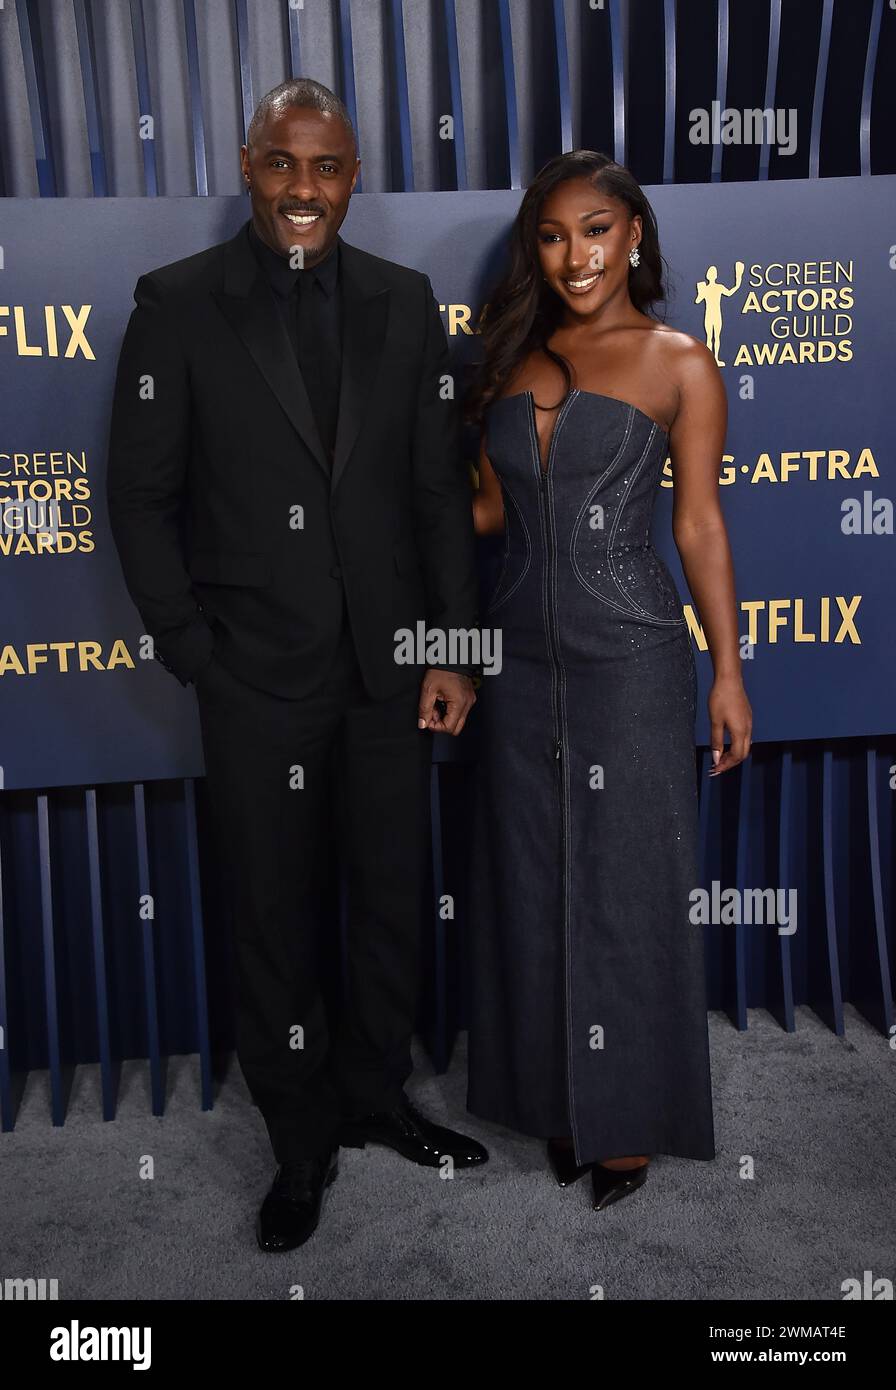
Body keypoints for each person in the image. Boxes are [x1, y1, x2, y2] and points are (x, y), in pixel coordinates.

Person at [106, 78, 487, 1253]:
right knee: (273, 916)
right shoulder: (175, 304)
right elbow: (139, 492)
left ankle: (375, 1096)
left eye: (326, 168)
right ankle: (298, 1135)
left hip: (387, 672)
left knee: (383, 896)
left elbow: (434, 493)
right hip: (253, 679)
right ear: (247, 164)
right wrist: (192, 651)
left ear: (354, 174)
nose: (304, 189)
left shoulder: (404, 300)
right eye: (283, 164)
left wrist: (451, 650)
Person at [464, 150, 752, 1211]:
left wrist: (727, 672)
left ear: (632, 232)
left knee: (628, 888)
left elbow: (696, 523)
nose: (573, 255)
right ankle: (556, 1095)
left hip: (631, 659)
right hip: (516, 664)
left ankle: (623, 1118)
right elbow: (490, 517)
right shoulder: (508, 356)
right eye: (550, 235)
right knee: (531, 879)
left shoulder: (678, 361)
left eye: (594, 229)